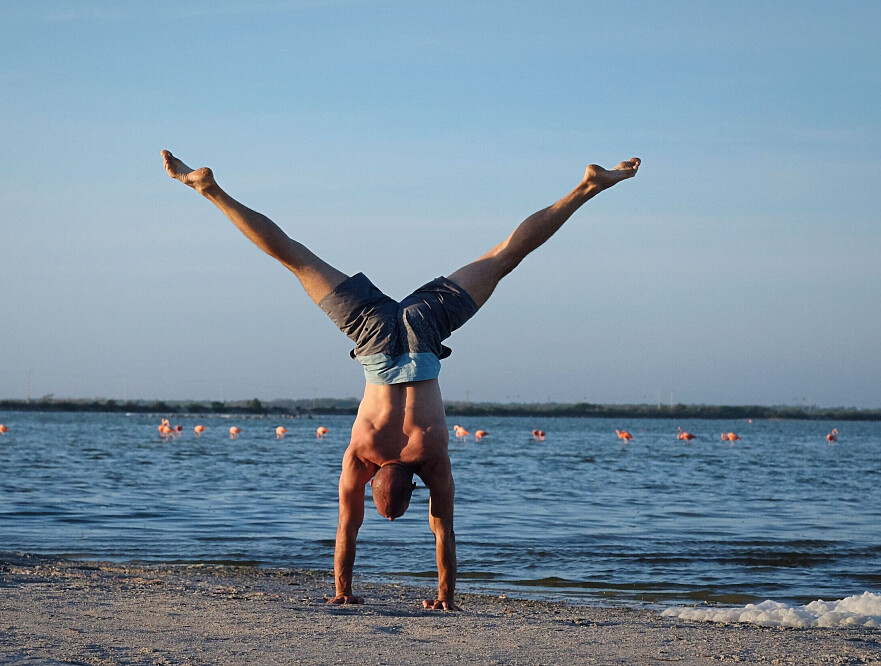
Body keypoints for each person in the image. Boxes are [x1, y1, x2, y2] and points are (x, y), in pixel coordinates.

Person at [162, 149, 640, 610]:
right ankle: (212, 191)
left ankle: (586, 188)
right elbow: (346, 531)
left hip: (425, 330)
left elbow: (443, 535)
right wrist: (343, 589)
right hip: (371, 333)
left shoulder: (430, 461)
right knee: (295, 257)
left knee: (503, 258)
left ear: (414, 488)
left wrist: (446, 595)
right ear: (375, 485)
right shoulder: (362, 456)